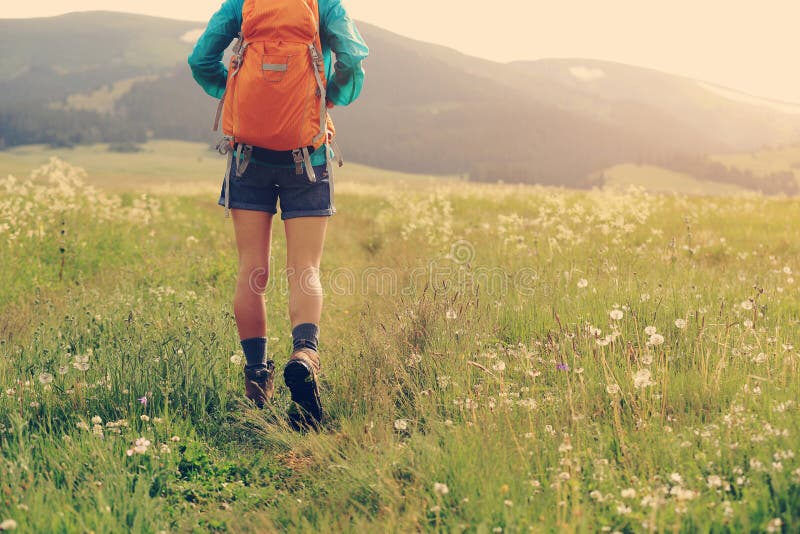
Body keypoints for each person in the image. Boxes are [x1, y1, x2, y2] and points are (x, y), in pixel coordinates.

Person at [188, 0, 368, 425]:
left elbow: (201, 59)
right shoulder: (323, 4)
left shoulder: (242, 3)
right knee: (304, 267)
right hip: (308, 153)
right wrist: (332, 96)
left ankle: (256, 380)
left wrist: (232, 90)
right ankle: (305, 354)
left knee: (252, 268)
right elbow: (354, 56)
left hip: (248, 156)